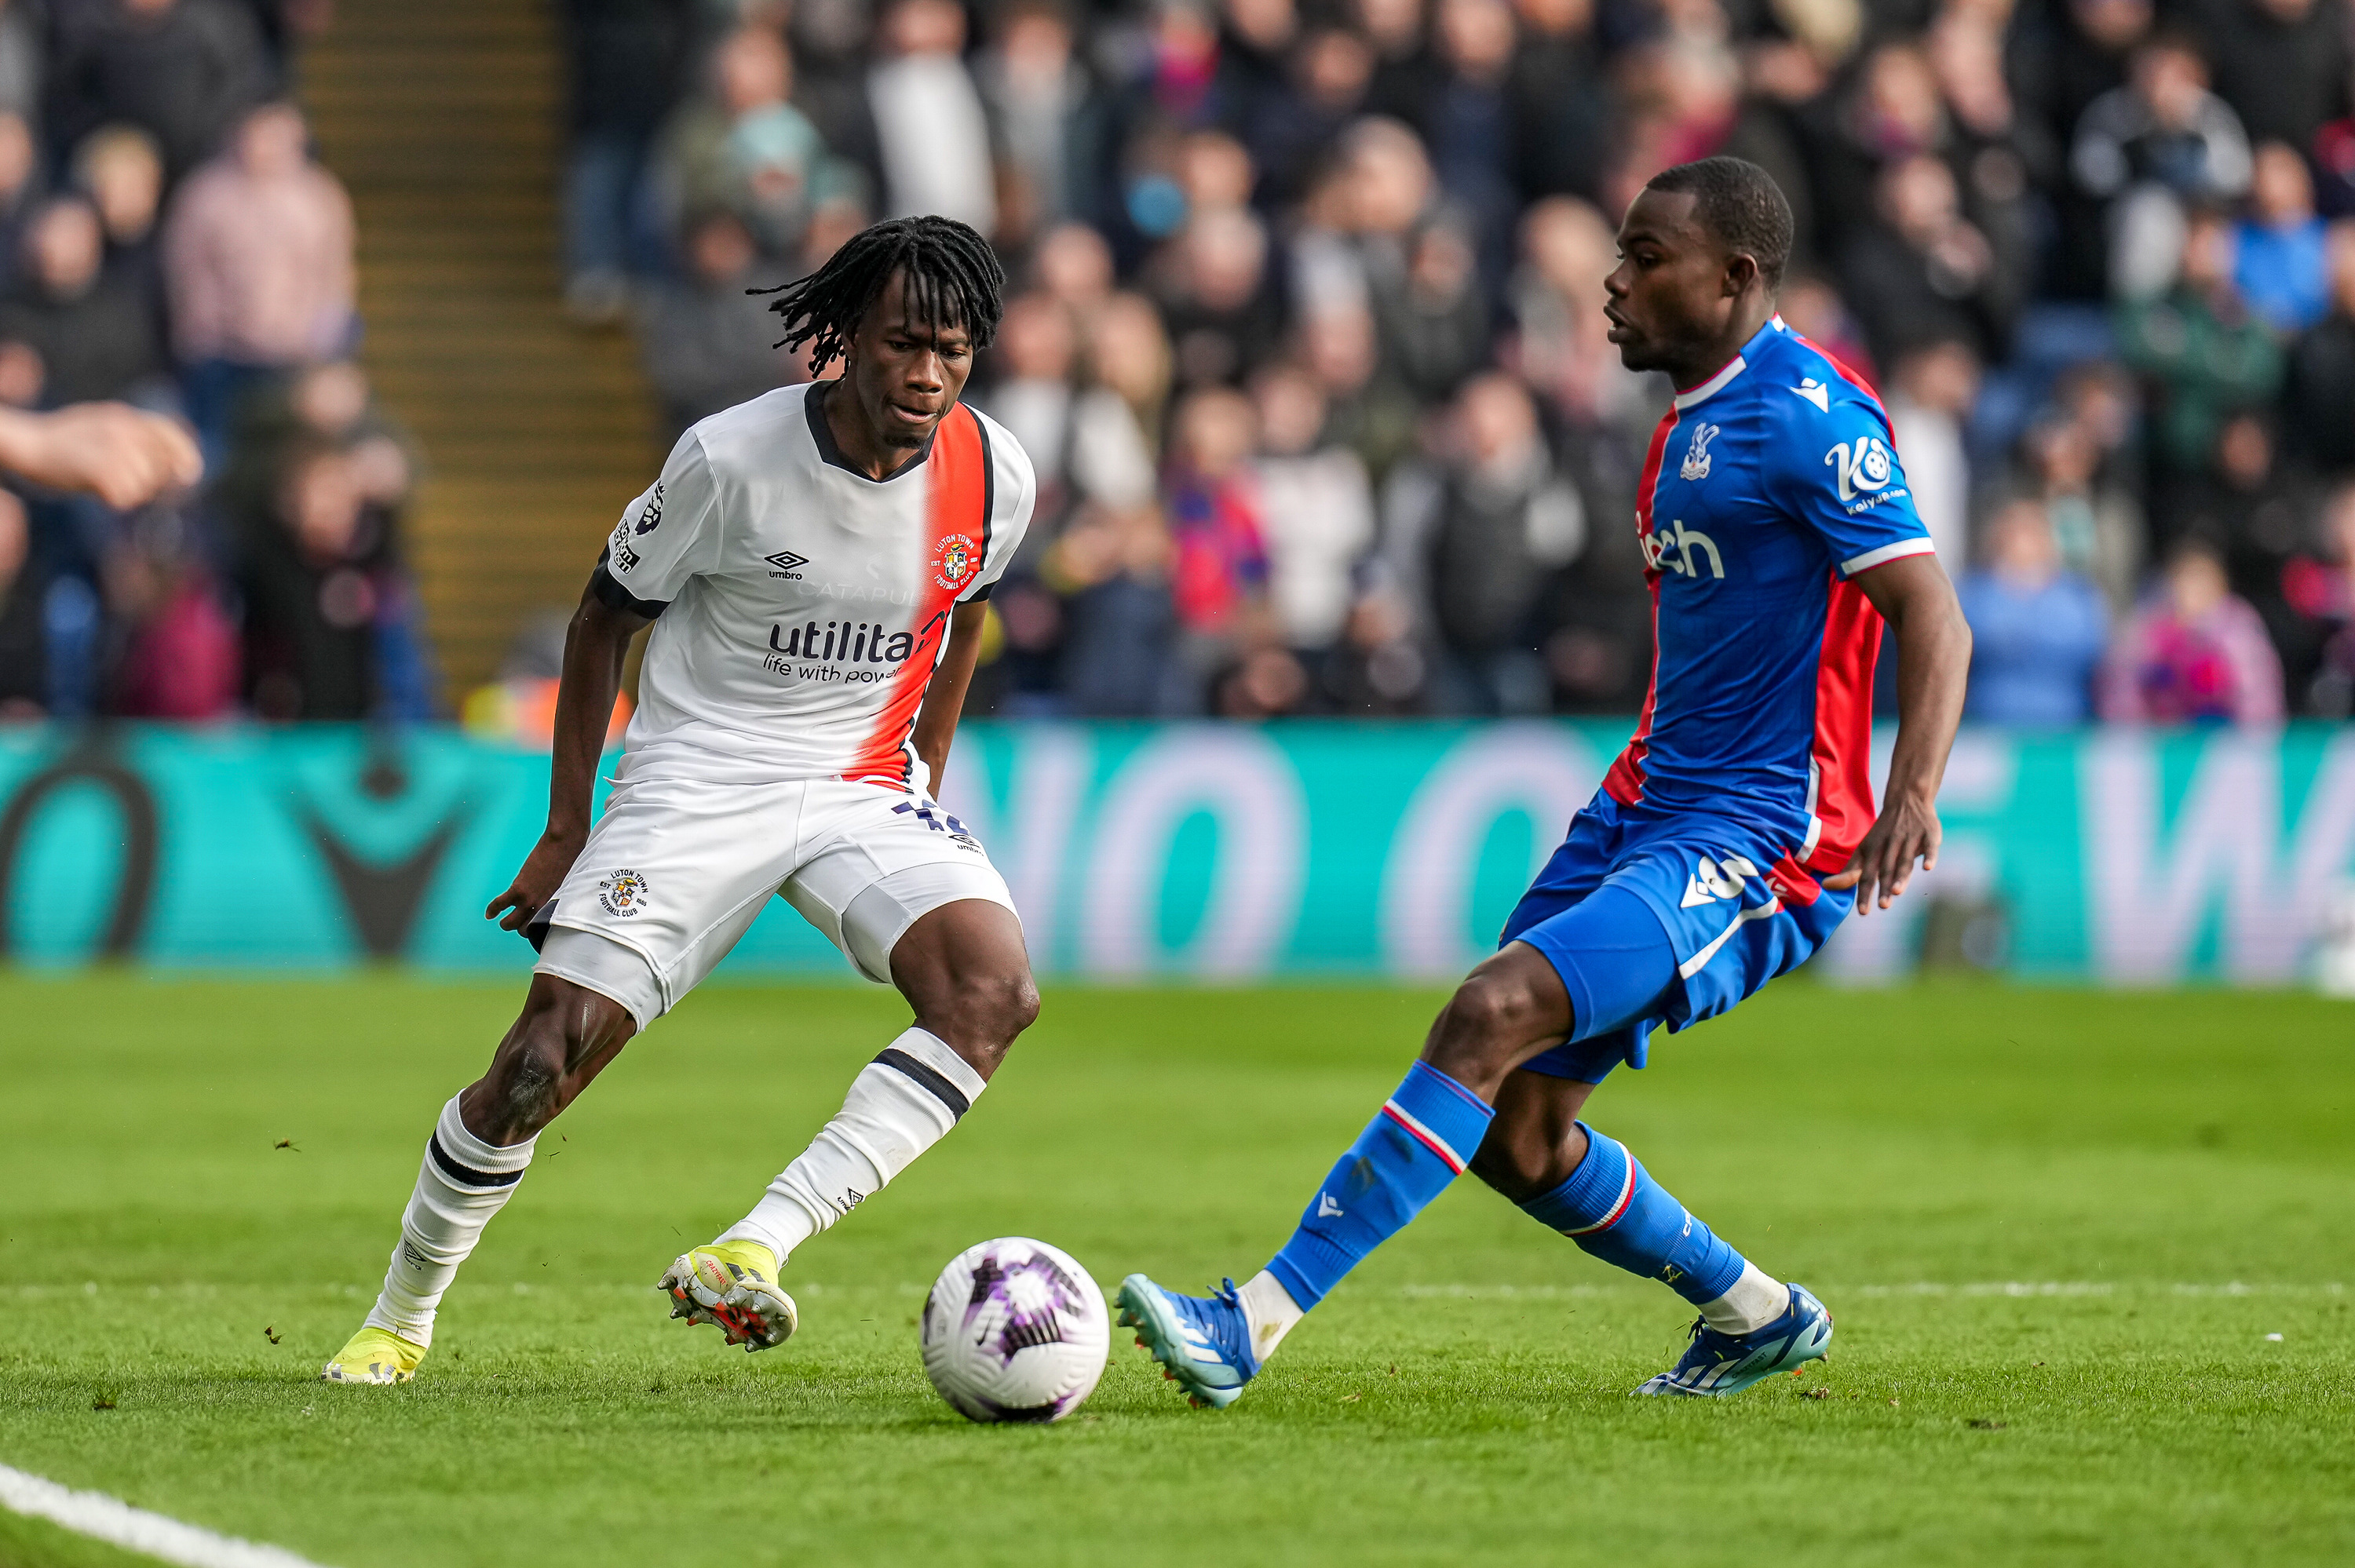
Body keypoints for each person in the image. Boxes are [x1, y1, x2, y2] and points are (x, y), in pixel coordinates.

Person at [1116, 157, 1970, 1406]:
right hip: (1646, 804)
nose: (1612, 285)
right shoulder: (1683, 423)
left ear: (1734, 277)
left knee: (1488, 1010)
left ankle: (1251, 1319)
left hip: (1765, 834)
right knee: (1518, 1131)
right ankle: (1757, 1311)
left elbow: (1932, 615)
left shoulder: (1812, 415)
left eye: (1644, 259)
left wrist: (1913, 792)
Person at [319, 217, 1038, 1385]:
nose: (927, 374)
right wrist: (568, 825)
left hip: (858, 780)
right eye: (904, 344)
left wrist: (926, 777)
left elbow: (964, 615)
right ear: (843, 340)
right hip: (699, 772)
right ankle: (401, 1314)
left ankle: (758, 1240)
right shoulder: (729, 459)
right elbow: (605, 615)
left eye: (953, 351)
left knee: (993, 991)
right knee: (538, 1064)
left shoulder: (997, 469)